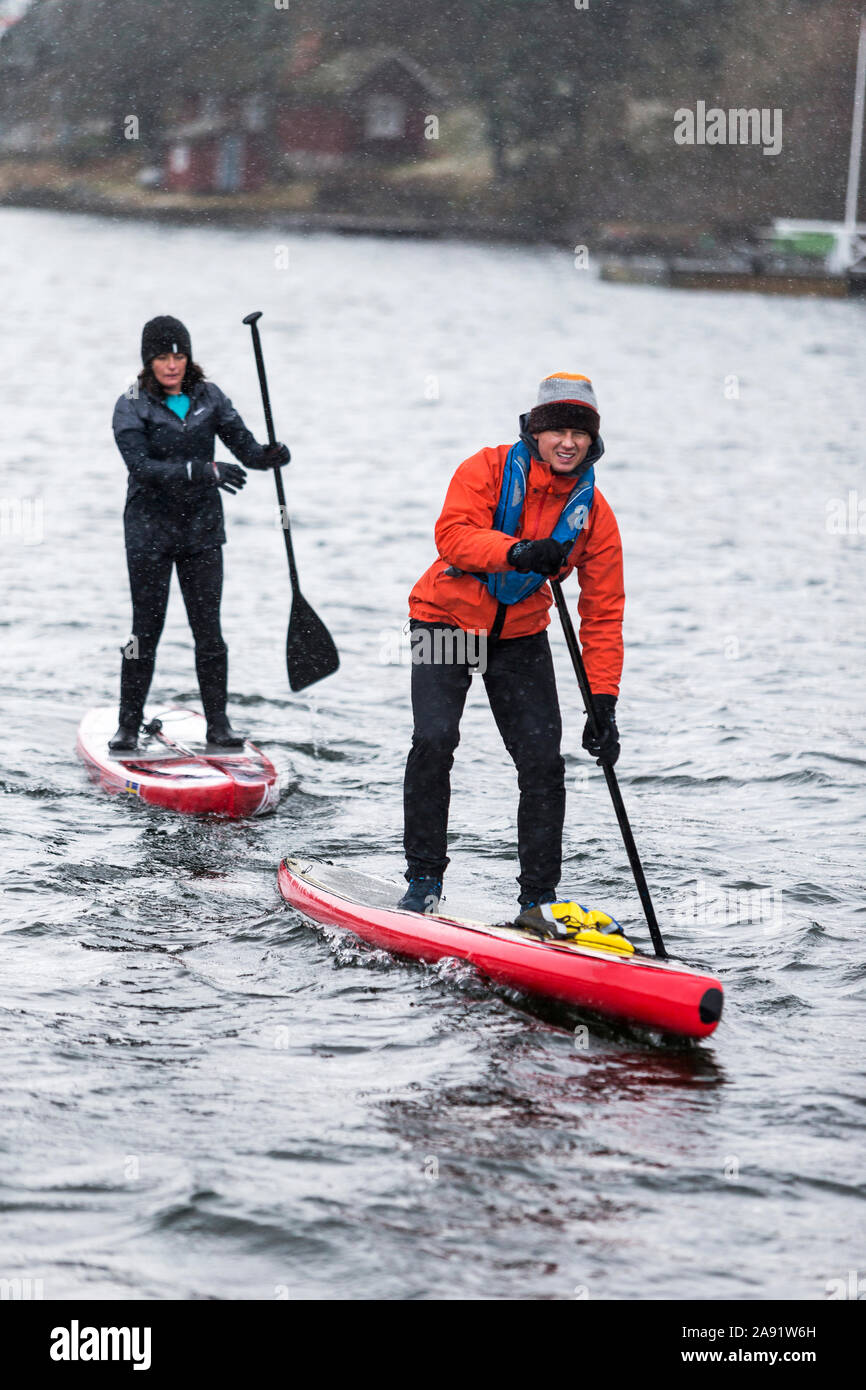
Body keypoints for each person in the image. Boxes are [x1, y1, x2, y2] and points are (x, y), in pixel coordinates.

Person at [399, 372, 624, 915]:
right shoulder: (487, 468)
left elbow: (603, 615)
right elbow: (452, 535)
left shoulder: (594, 514)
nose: (568, 442)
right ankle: (424, 880)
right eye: (557, 431)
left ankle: (537, 901)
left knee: (544, 763)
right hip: (444, 621)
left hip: (521, 636)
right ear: (535, 432)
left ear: (593, 442)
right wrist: (520, 551)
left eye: (580, 433)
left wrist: (604, 702)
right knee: (435, 740)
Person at [109, 315, 289, 751]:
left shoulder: (210, 397)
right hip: (149, 532)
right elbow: (142, 468)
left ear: (188, 357)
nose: (172, 365)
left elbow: (245, 451)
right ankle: (127, 726)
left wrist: (271, 456)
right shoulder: (131, 403)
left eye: (179, 356)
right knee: (144, 632)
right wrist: (201, 470)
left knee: (209, 632)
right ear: (148, 360)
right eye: (162, 357)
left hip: (201, 533)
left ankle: (219, 726)